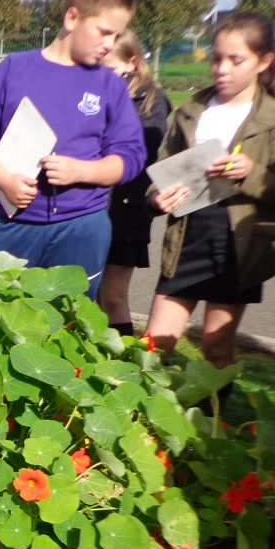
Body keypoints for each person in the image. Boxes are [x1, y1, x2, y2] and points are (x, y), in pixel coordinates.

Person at [0, 0, 146, 297]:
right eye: (104, 32)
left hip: (83, 228)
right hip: (14, 225)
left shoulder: (111, 85)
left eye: (116, 37)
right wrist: (3, 180)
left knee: (69, 331)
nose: (109, 45)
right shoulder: (14, 69)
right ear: (72, 17)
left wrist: (82, 170)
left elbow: (130, 157)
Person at [145, 11, 275, 385]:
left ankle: (214, 433)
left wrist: (251, 172)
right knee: (153, 347)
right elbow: (161, 171)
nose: (221, 68)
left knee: (216, 350)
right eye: (216, 57)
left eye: (235, 59)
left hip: (237, 246)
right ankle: (147, 432)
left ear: (264, 62)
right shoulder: (191, 110)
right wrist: (157, 197)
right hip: (187, 239)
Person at [98, 28, 170, 330]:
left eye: (111, 68)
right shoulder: (97, 91)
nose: (104, 74)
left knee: (113, 295)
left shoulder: (151, 100)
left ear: (132, 62)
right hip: (96, 204)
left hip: (127, 208)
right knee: (90, 295)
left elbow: (142, 149)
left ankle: (123, 365)